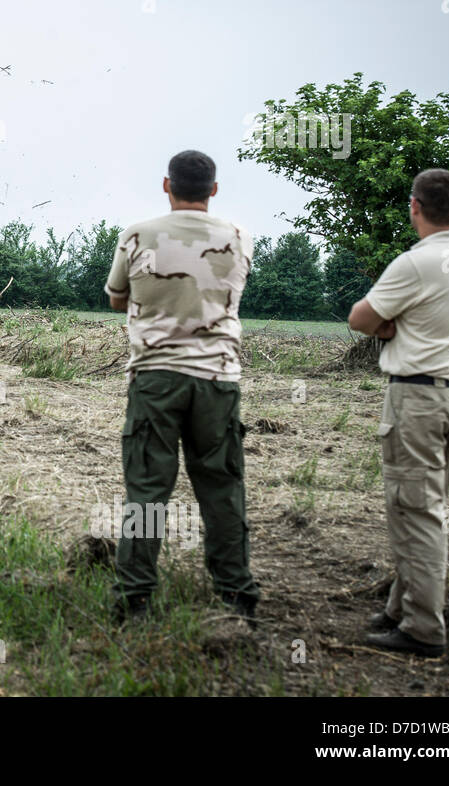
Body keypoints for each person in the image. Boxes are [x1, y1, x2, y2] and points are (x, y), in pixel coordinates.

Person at [104, 150, 259, 624]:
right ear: (213, 189)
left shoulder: (136, 234)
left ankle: (135, 600)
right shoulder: (237, 237)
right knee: (222, 488)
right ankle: (236, 594)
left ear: (166, 185)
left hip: (155, 378)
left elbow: (116, 298)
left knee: (147, 490)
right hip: (217, 380)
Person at [347, 168, 449, 657]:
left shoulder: (417, 263)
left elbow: (360, 319)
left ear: (414, 206)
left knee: (415, 510)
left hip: (418, 398)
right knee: (423, 504)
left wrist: (392, 330)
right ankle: (399, 606)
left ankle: (423, 628)